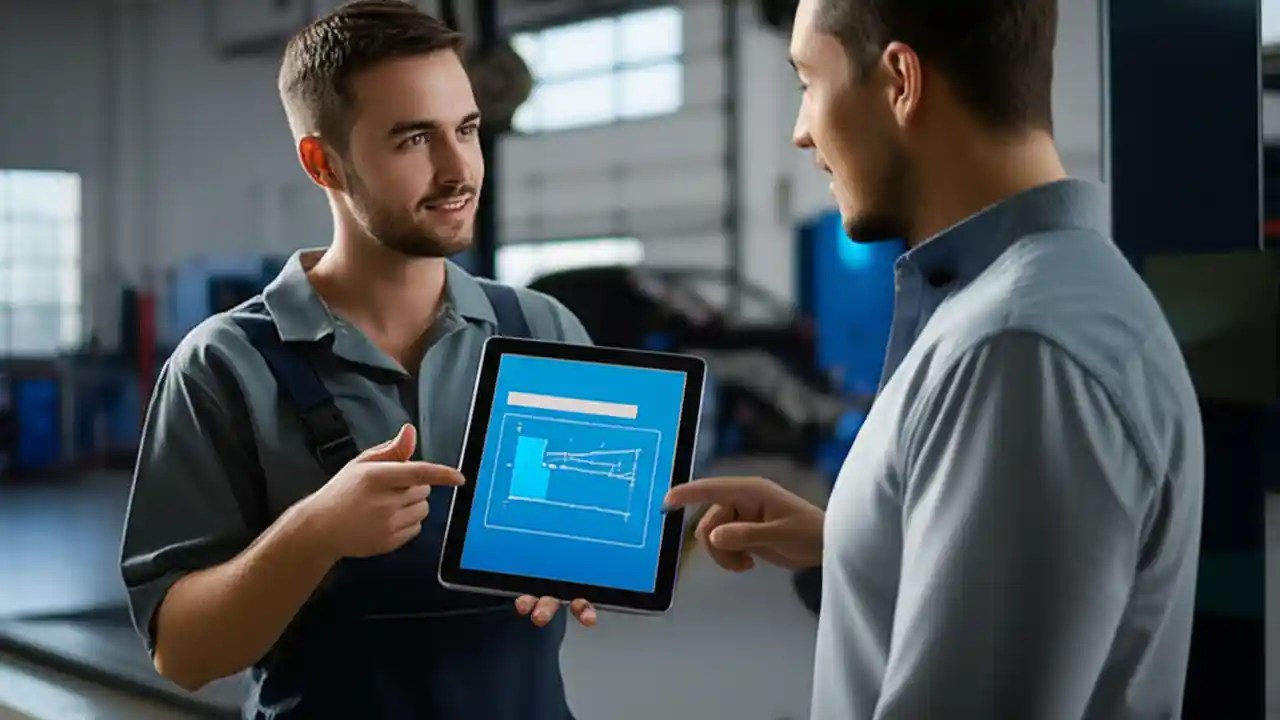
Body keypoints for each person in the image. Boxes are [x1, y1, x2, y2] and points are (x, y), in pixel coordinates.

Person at [662, 0, 1204, 718]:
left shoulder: (1017, 351)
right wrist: (858, 543)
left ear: (900, 82)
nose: (801, 132)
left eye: (807, 84)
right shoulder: (1029, 303)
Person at [120, 2, 594, 718]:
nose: (457, 169)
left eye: (466, 130)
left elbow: (615, 548)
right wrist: (314, 534)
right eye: (413, 140)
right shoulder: (223, 367)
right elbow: (183, 653)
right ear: (322, 161)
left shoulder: (542, 330)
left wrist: (664, 536)